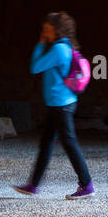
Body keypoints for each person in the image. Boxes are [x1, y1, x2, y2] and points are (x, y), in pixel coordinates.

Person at [13, 11, 95, 199]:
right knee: (47, 144)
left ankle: (86, 184)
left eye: (47, 29)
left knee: (69, 143)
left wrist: (41, 43)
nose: (44, 31)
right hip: (58, 103)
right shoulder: (63, 47)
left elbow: (35, 67)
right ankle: (33, 185)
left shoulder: (58, 50)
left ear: (57, 30)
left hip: (61, 104)